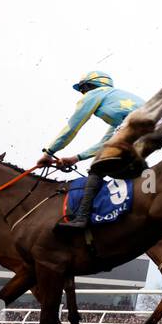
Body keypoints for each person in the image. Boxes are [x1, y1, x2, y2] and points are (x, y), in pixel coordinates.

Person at [37, 71, 145, 231]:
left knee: (98, 167)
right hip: (153, 129)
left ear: (89, 86)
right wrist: (76, 158)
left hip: (136, 128)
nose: (82, 93)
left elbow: (71, 128)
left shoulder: (94, 94)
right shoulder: (117, 101)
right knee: (128, 171)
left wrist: (48, 153)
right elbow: (106, 142)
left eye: (82, 89)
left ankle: (81, 218)